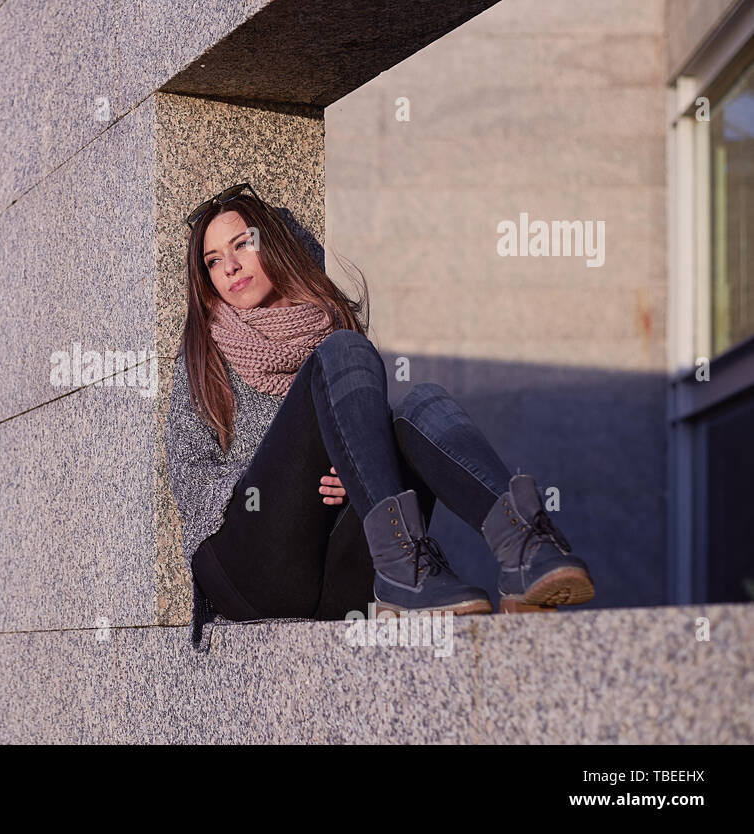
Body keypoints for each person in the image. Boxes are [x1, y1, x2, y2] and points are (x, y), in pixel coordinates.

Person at [165, 182, 594, 653]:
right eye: (212, 260)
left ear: (273, 243)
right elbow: (191, 478)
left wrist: (358, 476)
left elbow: (372, 445)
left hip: (338, 573)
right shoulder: (205, 353)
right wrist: (299, 483)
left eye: (243, 243)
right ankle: (405, 568)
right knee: (343, 352)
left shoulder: (331, 327)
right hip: (250, 569)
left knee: (421, 405)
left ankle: (522, 545)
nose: (229, 266)